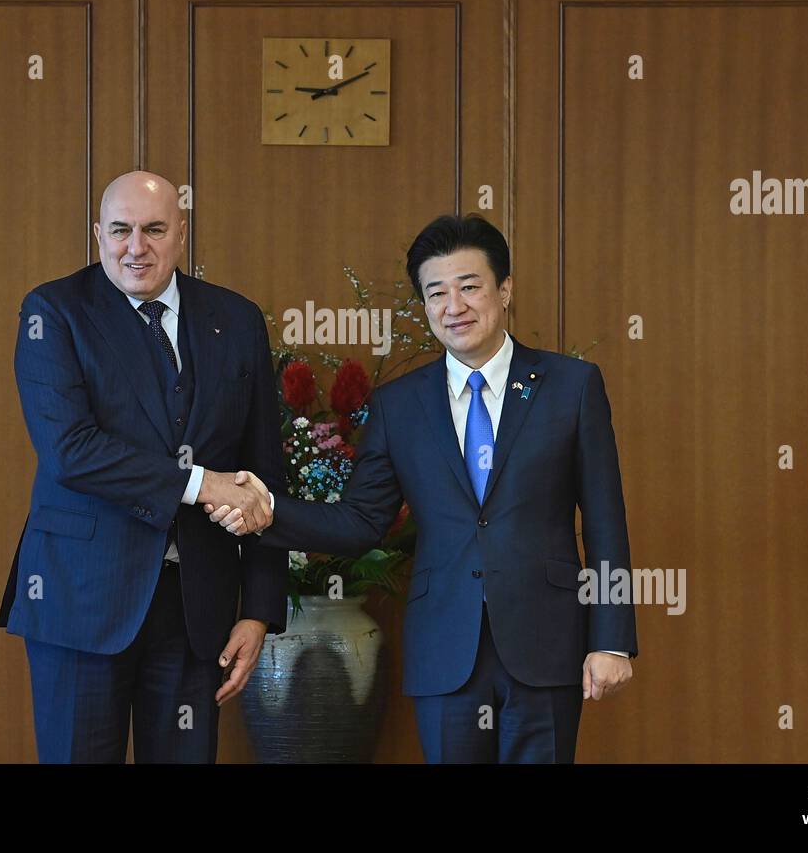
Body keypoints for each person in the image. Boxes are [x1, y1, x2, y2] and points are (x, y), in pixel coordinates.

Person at [207, 213, 637, 763]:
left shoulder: (572, 386)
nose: (453, 306)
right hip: (445, 649)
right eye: (436, 293)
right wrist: (267, 511)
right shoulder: (400, 404)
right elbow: (361, 520)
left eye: (469, 286)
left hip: (547, 644)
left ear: (505, 291)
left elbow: (605, 523)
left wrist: (610, 639)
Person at [0, 171, 283, 763]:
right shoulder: (52, 312)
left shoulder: (238, 319)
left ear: (181, 233)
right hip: (79, 602)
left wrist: (258, 609)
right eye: (121, 230)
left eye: (154, 229)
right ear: (97, 233)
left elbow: (261, 473)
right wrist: (202, 484)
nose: (136, 247)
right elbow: (70, 451)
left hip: (194, 611)